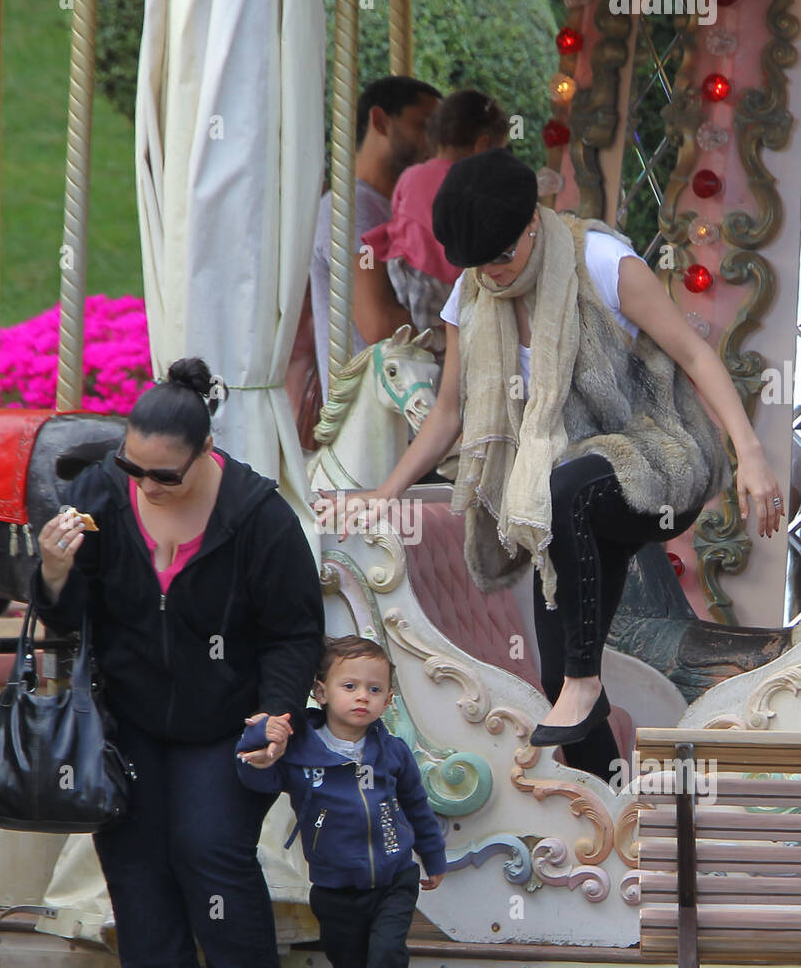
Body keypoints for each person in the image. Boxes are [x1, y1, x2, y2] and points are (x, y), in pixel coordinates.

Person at [317, 151, 785, 784]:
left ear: (534, 226)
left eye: (502, 257)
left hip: (658, 455)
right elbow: (450, 411)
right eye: (478, 264)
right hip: (564, 493)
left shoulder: (601, 261)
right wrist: (387, 490)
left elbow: (697, 357)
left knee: (567, 494)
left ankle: (585, 678)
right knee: (549, 675)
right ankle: (624, 816)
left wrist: (749, 456)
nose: (491, 273)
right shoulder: (474, 292)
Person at [31, 359, 325, 968]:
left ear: (205, 453)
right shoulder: (100, 493)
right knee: (133, 862)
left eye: (166, 474)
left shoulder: (255, 514)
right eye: (135, 469)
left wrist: (278, 714)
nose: (147, 485)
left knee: (209, 849)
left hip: (225, 720)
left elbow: (293, 631)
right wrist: (52, 571)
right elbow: (65, 622)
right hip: (126, 719)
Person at [235, 635, 446, 968]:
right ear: (321, 691)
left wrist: (434, 857)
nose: (362, 698)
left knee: (387, 954)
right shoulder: (299, 754)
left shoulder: (392, 753)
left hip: (394, 877)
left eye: (374, 689)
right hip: (333, 885)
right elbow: (255, 778)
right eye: (349, 686)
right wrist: (257, 738)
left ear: (389, 698)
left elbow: (417, 808)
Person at [310, 75, 441, 401]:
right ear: (381, 121)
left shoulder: (394, 206)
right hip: (376, 419)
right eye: (424, 126)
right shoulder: (351, 208)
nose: (434, 143)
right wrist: (456, 327)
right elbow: (379, 324)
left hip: (409, 406)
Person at [361, 89, 510, 356]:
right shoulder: (475, 185)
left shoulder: (410, 175)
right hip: (441, 277)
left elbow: (400, 216)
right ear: (483, 146)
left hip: (403, 273)